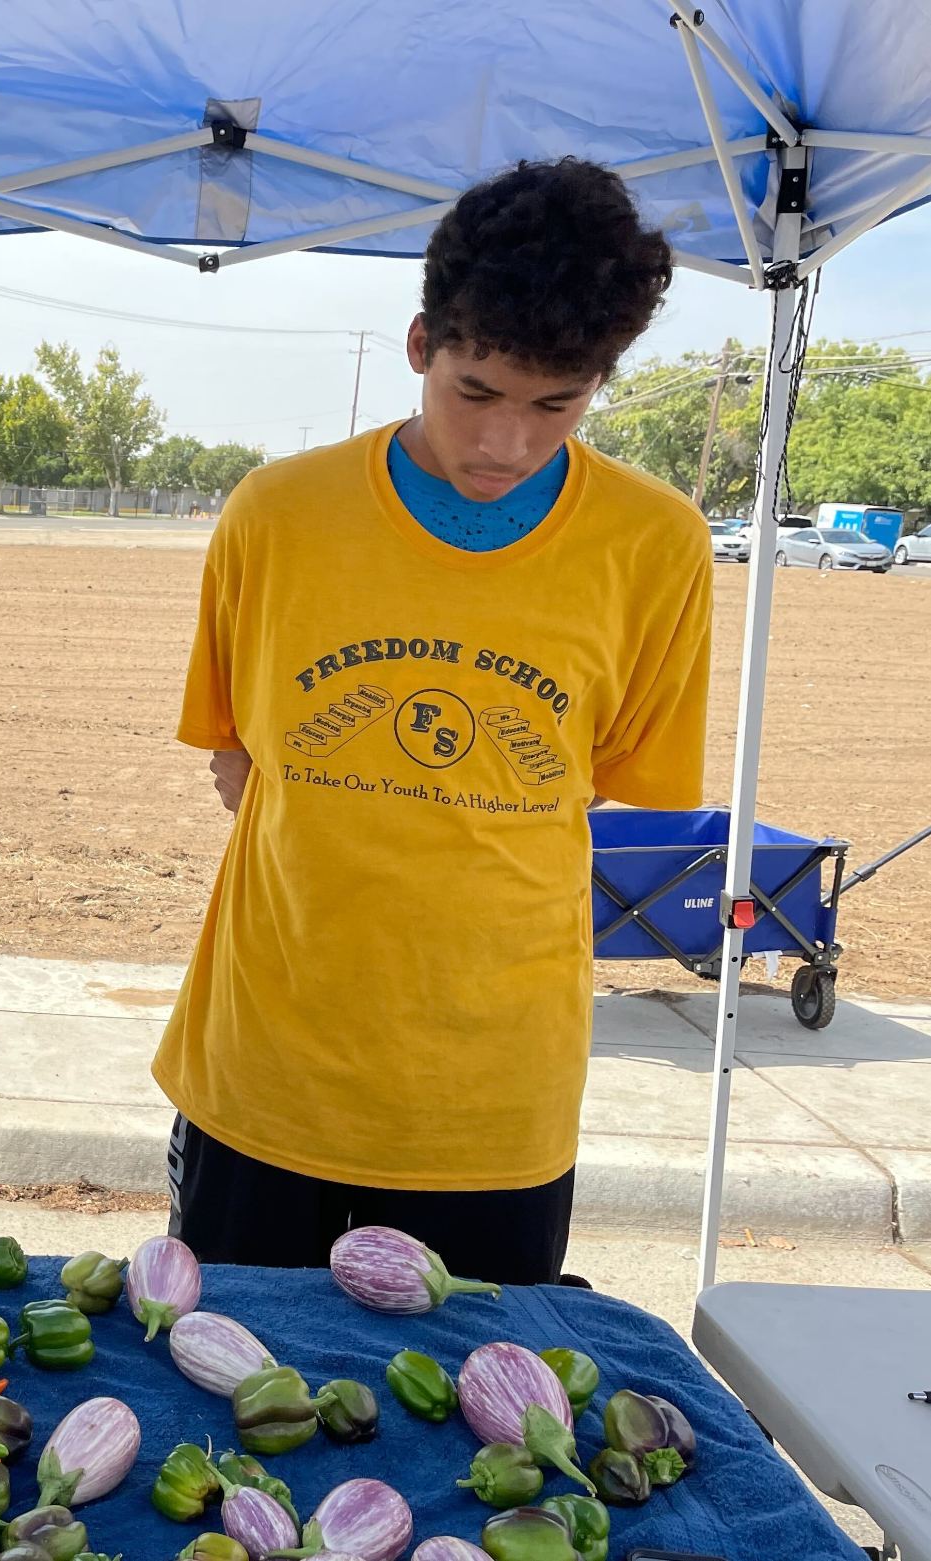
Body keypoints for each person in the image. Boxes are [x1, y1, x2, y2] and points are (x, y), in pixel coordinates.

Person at [159, 159, 711, 1284]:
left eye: (554, 405)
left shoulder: (656, 547)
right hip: (267, 1074)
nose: (504, 443)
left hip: (490, 1101)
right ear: (420, 345)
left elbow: (603, 777)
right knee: (233, 1374)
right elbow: (235, 758)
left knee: (476, 1384)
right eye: (475, 391)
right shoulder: (277, 515)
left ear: (598, 384)